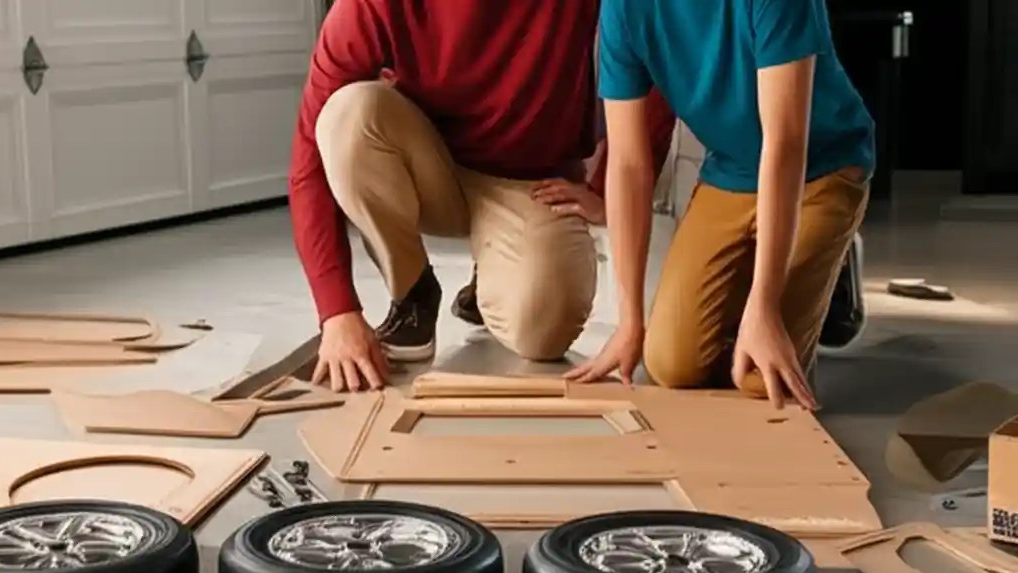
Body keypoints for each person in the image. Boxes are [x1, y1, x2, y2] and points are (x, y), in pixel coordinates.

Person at [291, 0, 676, 392]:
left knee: (543, 330)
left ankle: (488, 279)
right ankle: (412, 292)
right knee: (346, 116)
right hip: (427, 166)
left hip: (530, 182)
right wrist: (337, 311)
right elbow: (308, 160)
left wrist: (603, 194)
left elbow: (660, 45)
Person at [565, 0, 876, 410]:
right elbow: (628, 162)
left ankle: (827, 262)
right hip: (730, 172)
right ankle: (762, 282)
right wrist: (630, 322)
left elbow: (783, 144)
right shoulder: (624, 8)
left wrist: (765, 305)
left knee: (760, 381)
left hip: (819, 170)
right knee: (672, 365)